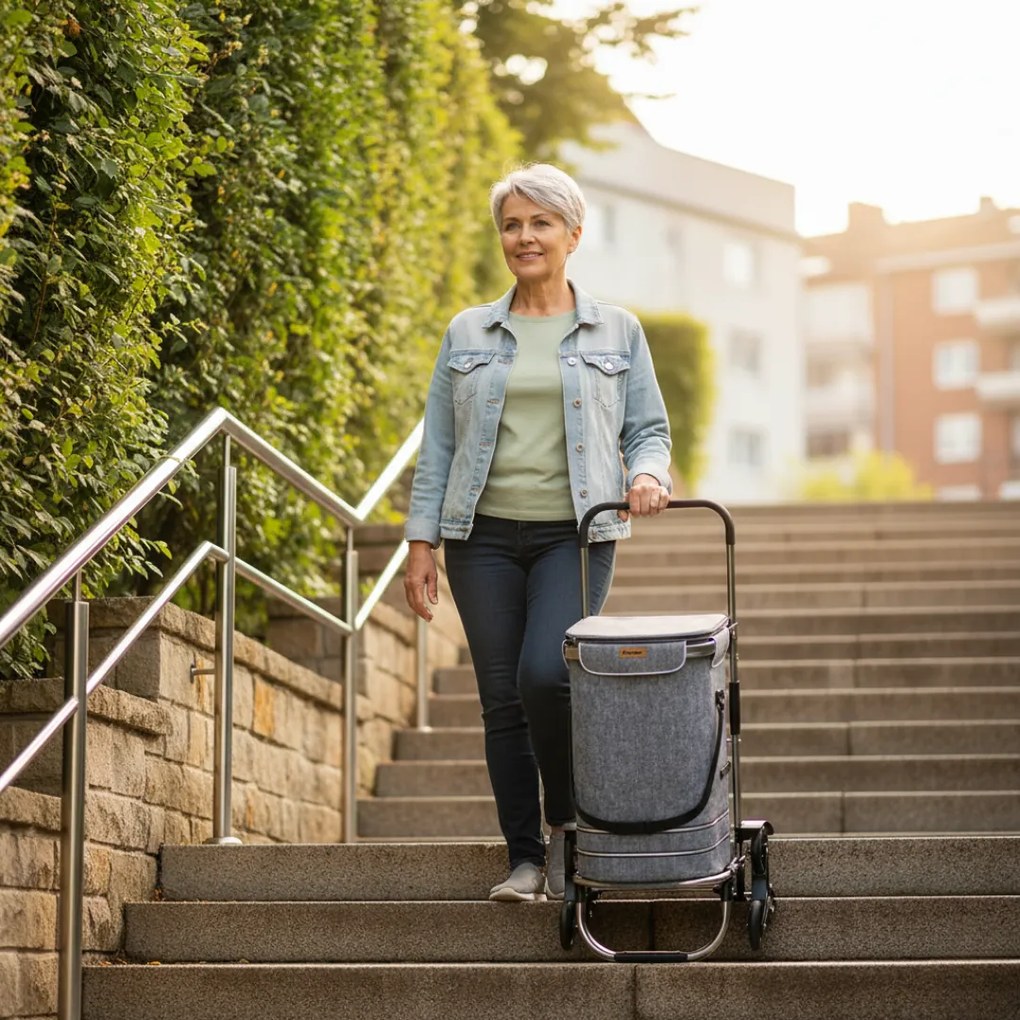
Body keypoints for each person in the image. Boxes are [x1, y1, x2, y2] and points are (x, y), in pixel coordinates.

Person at [403, 163, 673, 902]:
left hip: (577, 534)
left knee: (547, 676)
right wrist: (420, 542)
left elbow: (648, 428)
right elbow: (440, 448)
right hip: (479, 537)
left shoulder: (617, 329)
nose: (524, 237)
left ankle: (567, 828)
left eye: (540, 223)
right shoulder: (468, 331)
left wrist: (649, 475)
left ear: (572, 234)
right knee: (501, 699)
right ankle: (525, 859)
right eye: (512, 225)